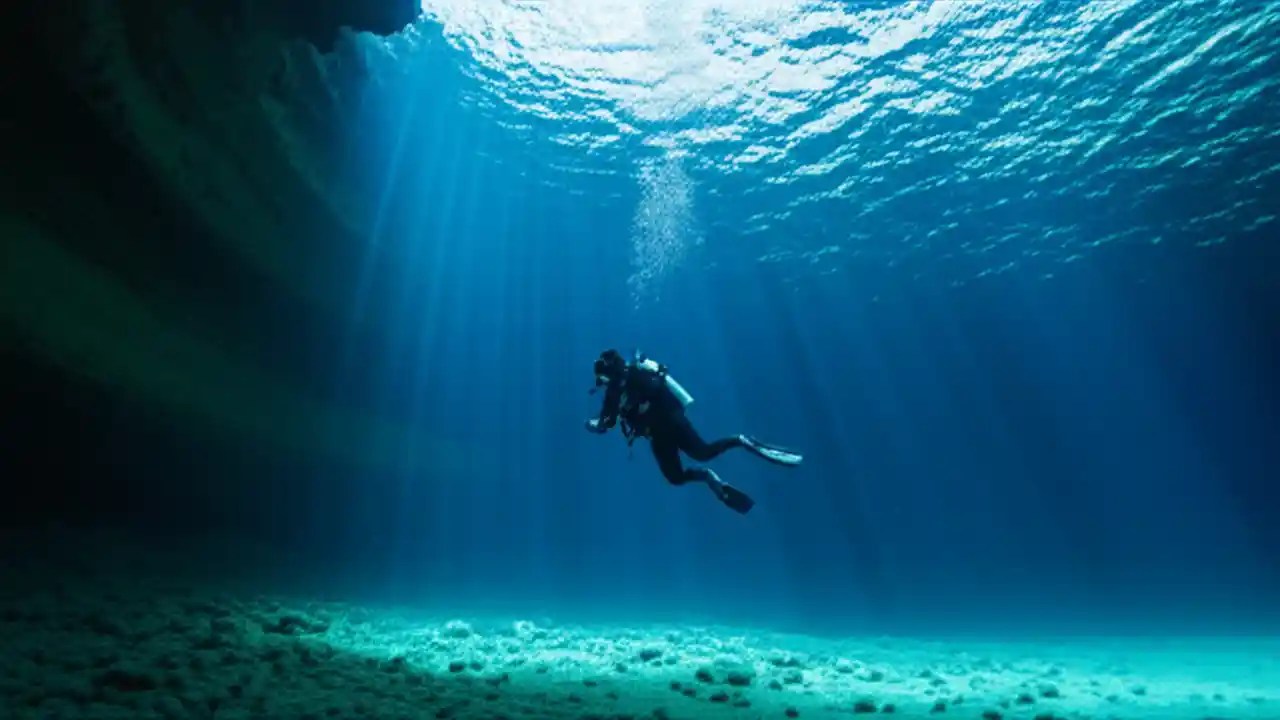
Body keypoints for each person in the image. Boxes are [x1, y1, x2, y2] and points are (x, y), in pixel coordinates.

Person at [584, 348, 803, 514]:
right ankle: (719, 464)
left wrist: (601, 421)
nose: (602, 383)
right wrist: (596, 425)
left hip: (668, 425)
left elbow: (652, 391)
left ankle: (732, 450)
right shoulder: (615, 392)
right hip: (664, 430)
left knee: (696, 459)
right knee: (684, 470)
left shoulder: (632, 375)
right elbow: (608, 422)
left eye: (602, 378)